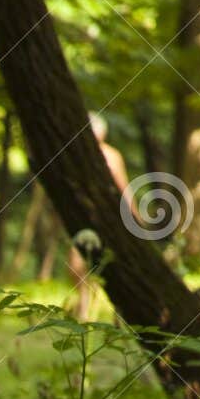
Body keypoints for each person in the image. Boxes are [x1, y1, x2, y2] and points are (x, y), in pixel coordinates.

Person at [65, 111, 136, 321]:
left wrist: (135, 216)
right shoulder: (75, 157)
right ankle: (84, 308)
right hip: (83, 217)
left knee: (117, 265)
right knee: (76, 265)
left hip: (112, 219)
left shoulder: (113, 156)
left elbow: (124, 187)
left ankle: (121, 312)